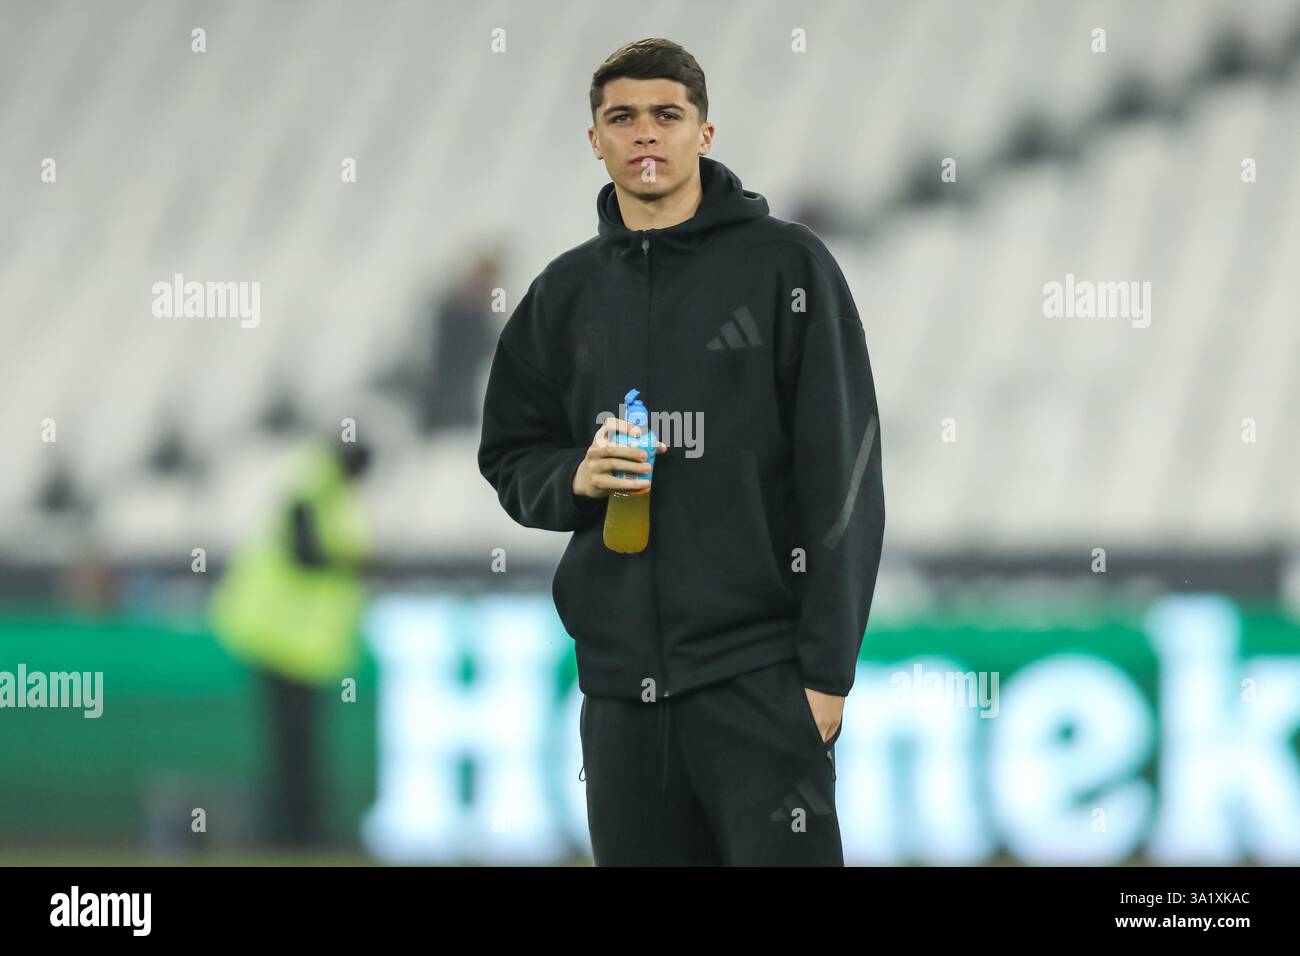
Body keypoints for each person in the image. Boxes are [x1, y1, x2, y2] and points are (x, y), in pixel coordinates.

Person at [477, 38, 884, 865]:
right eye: (621, 117)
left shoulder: (787, 266)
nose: (644, 134)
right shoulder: (563, 293)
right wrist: (574, 478)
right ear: (594, 138)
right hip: (622, 693)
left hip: (760, 678)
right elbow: (510, 454)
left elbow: (844, 473)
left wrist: (825, 674)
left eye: (667, 114)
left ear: (704, 131)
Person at [209, 436, 373, 848]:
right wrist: (350, 563)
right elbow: (306, 554)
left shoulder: (318, 486)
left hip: (290, 643)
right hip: (283, 640)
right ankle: (295, 831)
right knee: (294, 747)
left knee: (293, 746)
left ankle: (293, 829)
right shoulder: (317, 486)